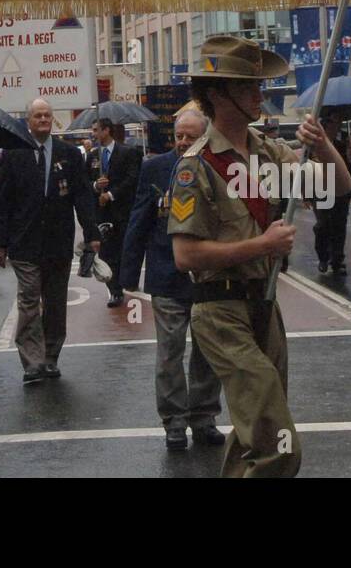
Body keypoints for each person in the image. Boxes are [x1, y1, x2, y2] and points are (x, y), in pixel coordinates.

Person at [168, 36, 350, 478]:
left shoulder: (269, 152)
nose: (259, 95)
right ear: (217, 95)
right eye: (248, 86)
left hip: (263, 307)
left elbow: (338, 188)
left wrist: (323, 145)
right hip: (220, 307)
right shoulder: (197, 164)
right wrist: (261, 246)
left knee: (255, 431)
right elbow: (186, 254)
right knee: (277, 445)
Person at [120, 107, 224, 450]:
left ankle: (204, 417)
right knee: (169, 353)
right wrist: (129, 274)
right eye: (179, 136)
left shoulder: (218, 168)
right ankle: (174, 422)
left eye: (190, 137)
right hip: (167, 274)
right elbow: (139, 220)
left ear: (204, 138)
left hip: (209, 275)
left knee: (208, 351)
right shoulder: (154, 168)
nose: (182, 142)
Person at [0, 98, 100, 384]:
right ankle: (32, 361)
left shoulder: (69, 154)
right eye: (38, 115)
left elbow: (82, 196)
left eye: (47, 115)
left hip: (58, 241)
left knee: (55, 302)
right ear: (28, 121)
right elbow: (3, 201)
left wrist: (92, 234)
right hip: (24, 242)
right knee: (29, 299)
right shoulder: (14, 153)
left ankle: (51, 356)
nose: (43, 119)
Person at [88, 117, 142, 306]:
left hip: (123, 211)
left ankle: (129, 279)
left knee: (125, 250)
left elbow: (132, 179)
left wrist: (110, 194)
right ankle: (115, 291)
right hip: (102, 215)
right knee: (107, 253)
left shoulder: (128, 153)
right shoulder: (93, 155)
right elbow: (85, 183)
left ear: (107, 130)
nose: (93, 134)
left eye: (96, 130)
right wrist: (96, 186)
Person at [313, 109, 351, 275]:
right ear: (326, 123)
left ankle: (337, 260)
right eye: (334, 121)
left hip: (341, 189)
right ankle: (323, 258)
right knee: (322, 225)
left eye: (339, 121)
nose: (337, 125)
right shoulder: (316, 142)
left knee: (339, 225)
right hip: (321, 188)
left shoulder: (347, 140)